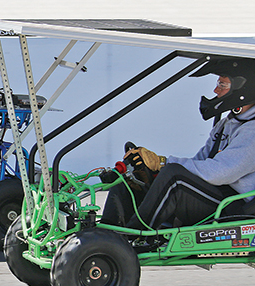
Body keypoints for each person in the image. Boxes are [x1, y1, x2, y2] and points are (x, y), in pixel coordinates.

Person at [101, 57, 255, 230]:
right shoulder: (228, 123)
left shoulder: (252, 130)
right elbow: (200, 163)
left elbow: (219, 173)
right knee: (131, 180)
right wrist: (152, 172)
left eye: (222, 84)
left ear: (244, 88)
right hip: (217, 197)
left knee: (173, 176)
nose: (215, 90)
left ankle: (132, 237)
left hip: (235, 208)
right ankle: (105, 234)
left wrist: (163, 163)